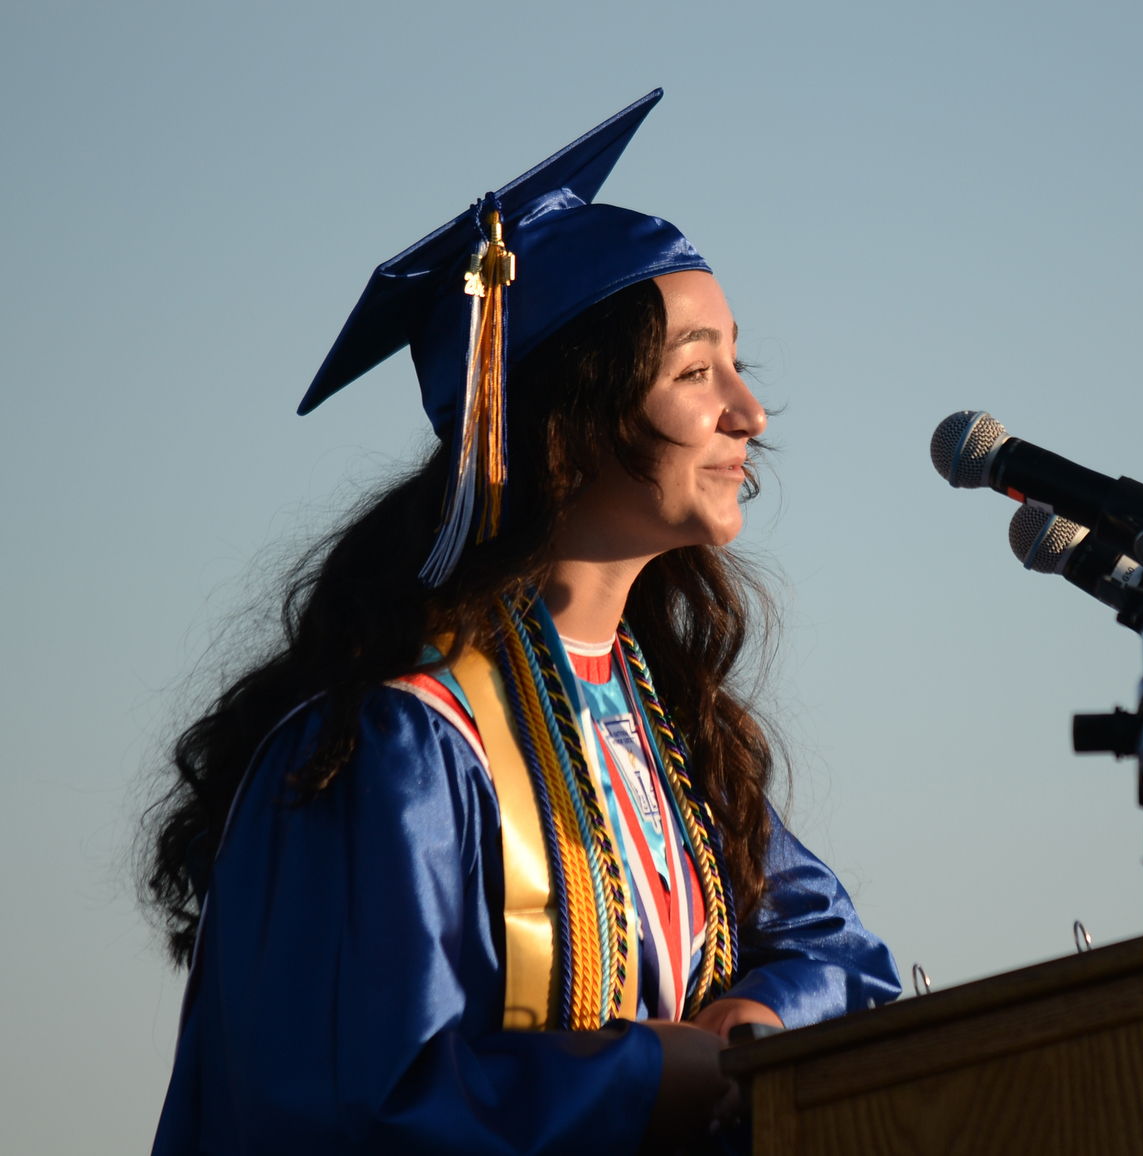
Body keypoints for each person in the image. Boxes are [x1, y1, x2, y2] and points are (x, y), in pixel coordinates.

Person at [142, 90, 900, 1155]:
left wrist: (759, 1015)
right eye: (696, 371)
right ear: (567, 421)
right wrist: (648, 1074)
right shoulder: (391, 748)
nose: (748, 410)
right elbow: (348, 1106)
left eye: (739, 362)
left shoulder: (666, 735)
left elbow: (840, 953)